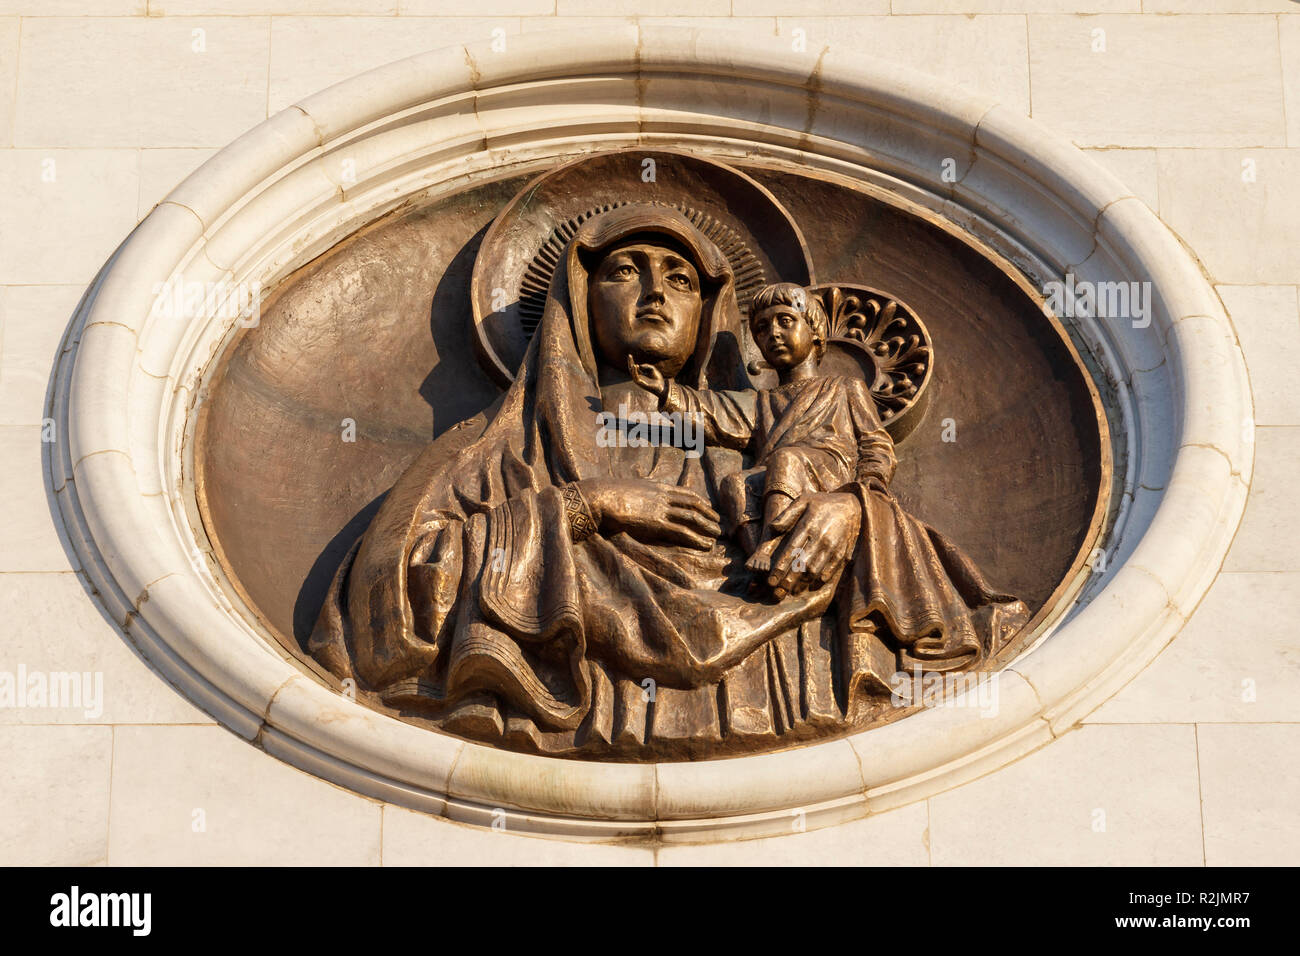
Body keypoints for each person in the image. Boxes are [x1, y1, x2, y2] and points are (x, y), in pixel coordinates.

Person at [308, 203, 1029, 758]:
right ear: (580, 300)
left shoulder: (754, 448)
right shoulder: (497, 451)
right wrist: (584, 507)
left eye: (681, 278)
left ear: (711, 309)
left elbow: (893, 525)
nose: (656, 292)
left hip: (779, 697)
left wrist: (854, 513)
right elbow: (389, 594)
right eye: (625, 271)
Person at [629, 281, 898, 587]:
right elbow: (718, 415)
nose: (773, 333)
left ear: (815, 332)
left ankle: (770, 545)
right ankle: (762, 558)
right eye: (761, 328)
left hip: (828, 471)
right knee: (734, 483)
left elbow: (875, 442)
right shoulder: (762, 401)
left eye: (785, 321)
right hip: (776, 483)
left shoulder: (844, 388)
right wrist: (666, 390)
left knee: (787, 458)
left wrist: (868, 487)